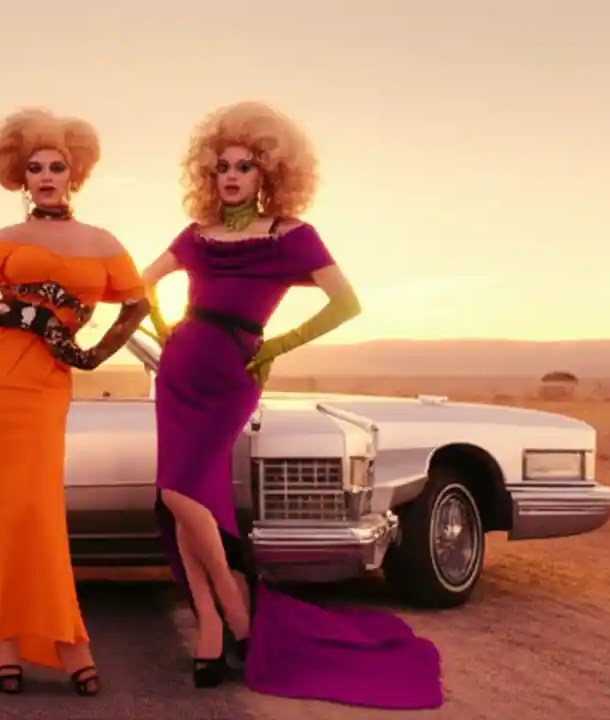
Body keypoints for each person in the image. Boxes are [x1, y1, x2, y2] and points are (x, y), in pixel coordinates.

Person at [140, 101, 443, 709]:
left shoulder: (292, 236)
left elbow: (345, 303)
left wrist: (278, 342)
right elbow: (141, 281)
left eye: (245, 166)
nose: (230, 176)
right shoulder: (197, 235)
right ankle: (212, 623)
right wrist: (163, 328)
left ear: (267, 174)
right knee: (180, 500)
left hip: (233, 370)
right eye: (221, 166)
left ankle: (239, 618)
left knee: (181, 493)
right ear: (208, 172)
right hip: (179, 372)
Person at [0, 107, 151, 696]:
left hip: (43, 388)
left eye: (55, 166)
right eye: (34, 167)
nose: (44, 176)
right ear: (21, 177)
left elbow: (136, 305)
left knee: (37, 510)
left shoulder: (103, 243)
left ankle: (67, 640)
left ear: (74, 173)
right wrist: (36, 313)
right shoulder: (4, 240)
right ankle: (4, 645)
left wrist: (91, 355)